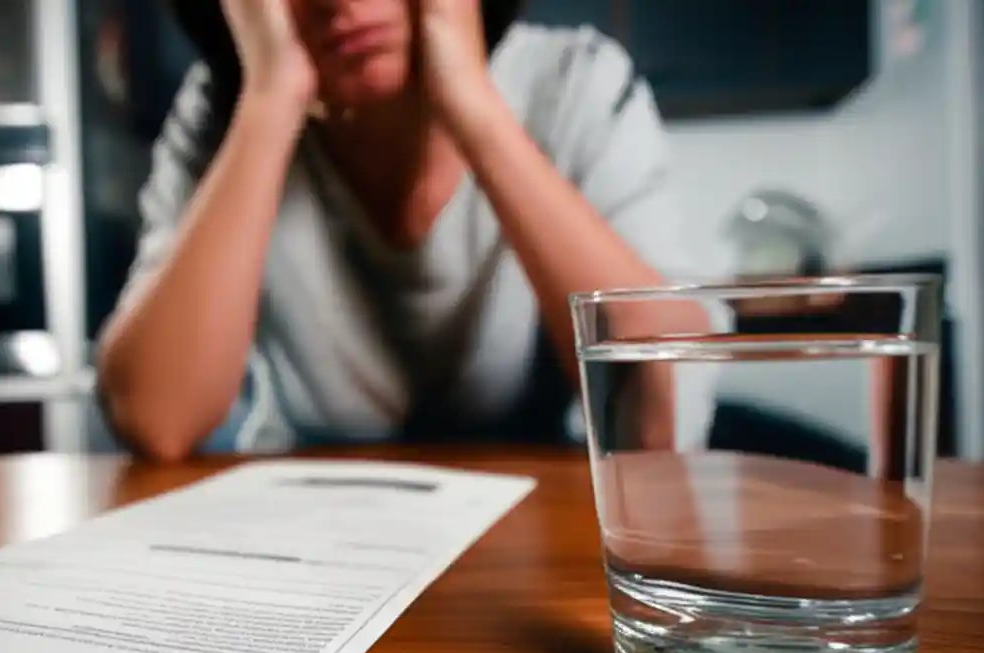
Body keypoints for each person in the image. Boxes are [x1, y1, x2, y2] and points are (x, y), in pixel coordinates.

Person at [98, 0, 717, 461]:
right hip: (310, 537)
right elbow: (156, 419)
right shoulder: (223, 110)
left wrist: (473, 106)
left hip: (541, 532)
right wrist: (271, 95)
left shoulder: (576, 81)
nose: (338, 3)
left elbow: (663, 416)